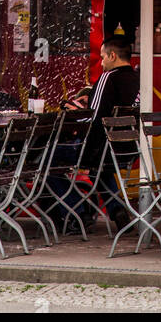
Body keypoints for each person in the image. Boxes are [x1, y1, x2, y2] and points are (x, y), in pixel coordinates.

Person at [53, 35, 140, 232]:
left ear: (112, 56)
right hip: (129, 149)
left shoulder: (108, 77)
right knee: (99, 168)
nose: (101, 63)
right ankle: (117, 211)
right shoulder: (138, 79)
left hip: (102, 148)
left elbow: (93, 117)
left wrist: (74, 111)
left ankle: (78, 213)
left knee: (48, 159)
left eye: (102, 57)